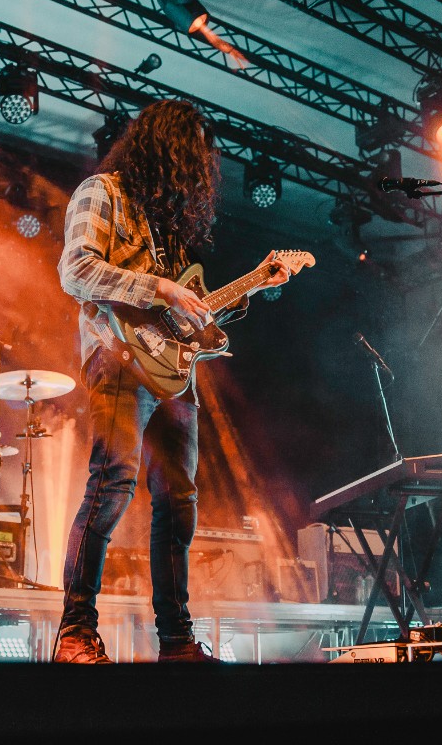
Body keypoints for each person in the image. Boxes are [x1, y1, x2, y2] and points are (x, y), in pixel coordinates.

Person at [54, 99, 292, 664]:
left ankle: (178, 640)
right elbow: (76, 270)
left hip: (172, 376)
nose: (195, 176)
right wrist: (159, 290)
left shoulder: (170, 232)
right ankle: (76, 631)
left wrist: (254, 285)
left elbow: (189, 322)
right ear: (164, 149)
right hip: (114, 358)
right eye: (190, 161)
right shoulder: (102, 192)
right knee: (112, 483)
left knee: (179, 501)